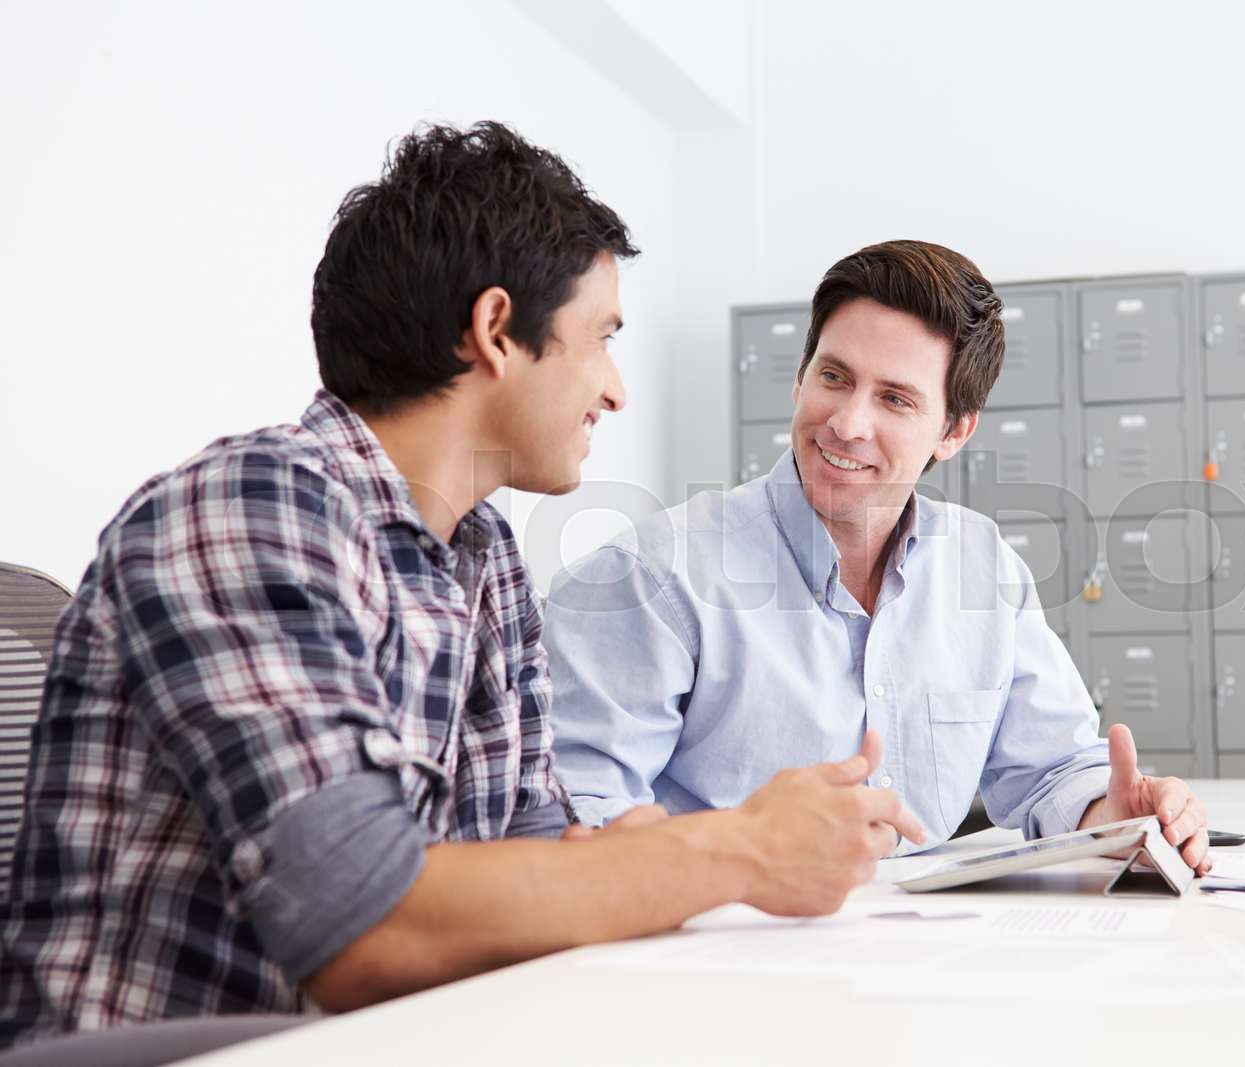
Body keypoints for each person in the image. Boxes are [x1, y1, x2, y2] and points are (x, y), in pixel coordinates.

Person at [0, 123, 924, 1049]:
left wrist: (628, 857)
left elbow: (535, 861)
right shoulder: (252, 506)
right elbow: (366, 923)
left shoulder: (481, 557)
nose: (615, 389)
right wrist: (737, 848)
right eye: (600, 338)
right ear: (495, 331)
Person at [544, 240, 1212, 868]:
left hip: (920, 958)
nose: (847, 422)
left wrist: (1111, 813)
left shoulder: (983, 566)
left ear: (953, 431)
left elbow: (1052, 769)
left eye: (894, 398)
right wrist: (741, 858)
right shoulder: (652, 575)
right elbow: (577, 824)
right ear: (799, 379)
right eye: (834, 377)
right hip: (717, 953)